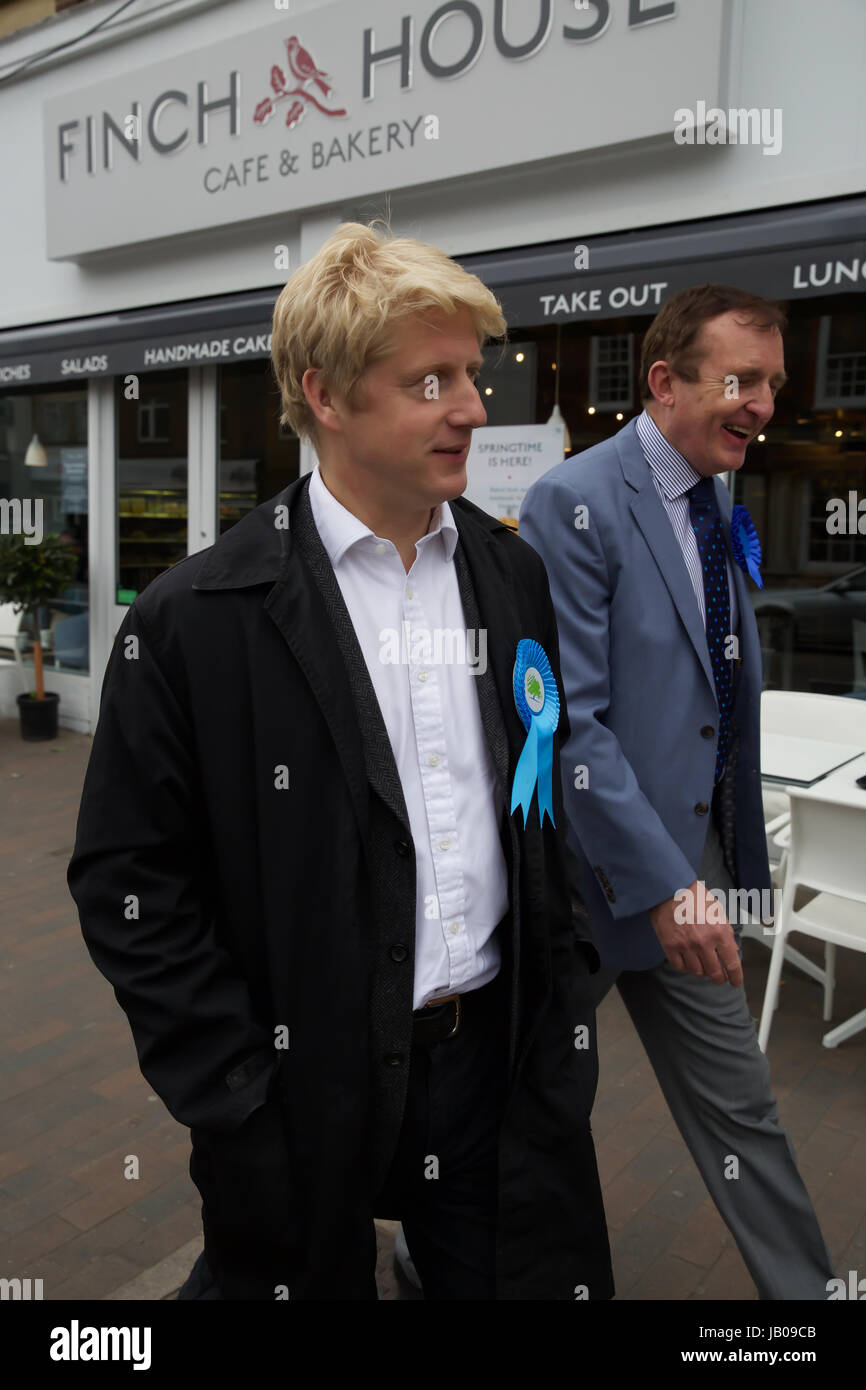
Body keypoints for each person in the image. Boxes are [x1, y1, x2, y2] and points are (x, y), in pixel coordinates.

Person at [67, 221, 613, 1301]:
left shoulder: (510, 578)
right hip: (299, 1082)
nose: (470, 406)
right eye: (430, 381)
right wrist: (235, 1092)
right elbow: (127, 879)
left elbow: (538, 793)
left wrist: (563, 1001)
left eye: (471, 373)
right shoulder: (197, 618)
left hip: (498, 1069)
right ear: (324, 396)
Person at [519, 284, 834, 1300]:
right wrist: (662, 884)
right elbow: (569, 719)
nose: (762, 405)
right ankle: (432, 1249)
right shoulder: (569, 499)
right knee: (526, 1098)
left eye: (774, 385)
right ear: (662, 383)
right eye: (741, 380)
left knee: (739, 1105)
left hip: (688, 867)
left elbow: (710, 704)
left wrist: (718, 872)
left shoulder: (712, 498)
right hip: (585, 881)